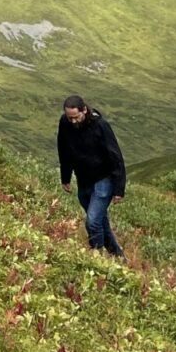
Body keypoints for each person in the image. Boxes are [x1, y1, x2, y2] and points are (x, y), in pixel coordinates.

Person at [57, 94, 127, 257]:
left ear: (84, 110)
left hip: (104, 178)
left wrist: (119, 189)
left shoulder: (100, 126)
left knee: (93, 221)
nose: (73, 121)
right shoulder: (65, 123)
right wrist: (65, 177)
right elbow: (64, 150)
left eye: (76, 117)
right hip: (84, 179)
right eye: (70, 118)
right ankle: (118, 256)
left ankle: (97, 255)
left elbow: (115, 157)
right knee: (100, 220)